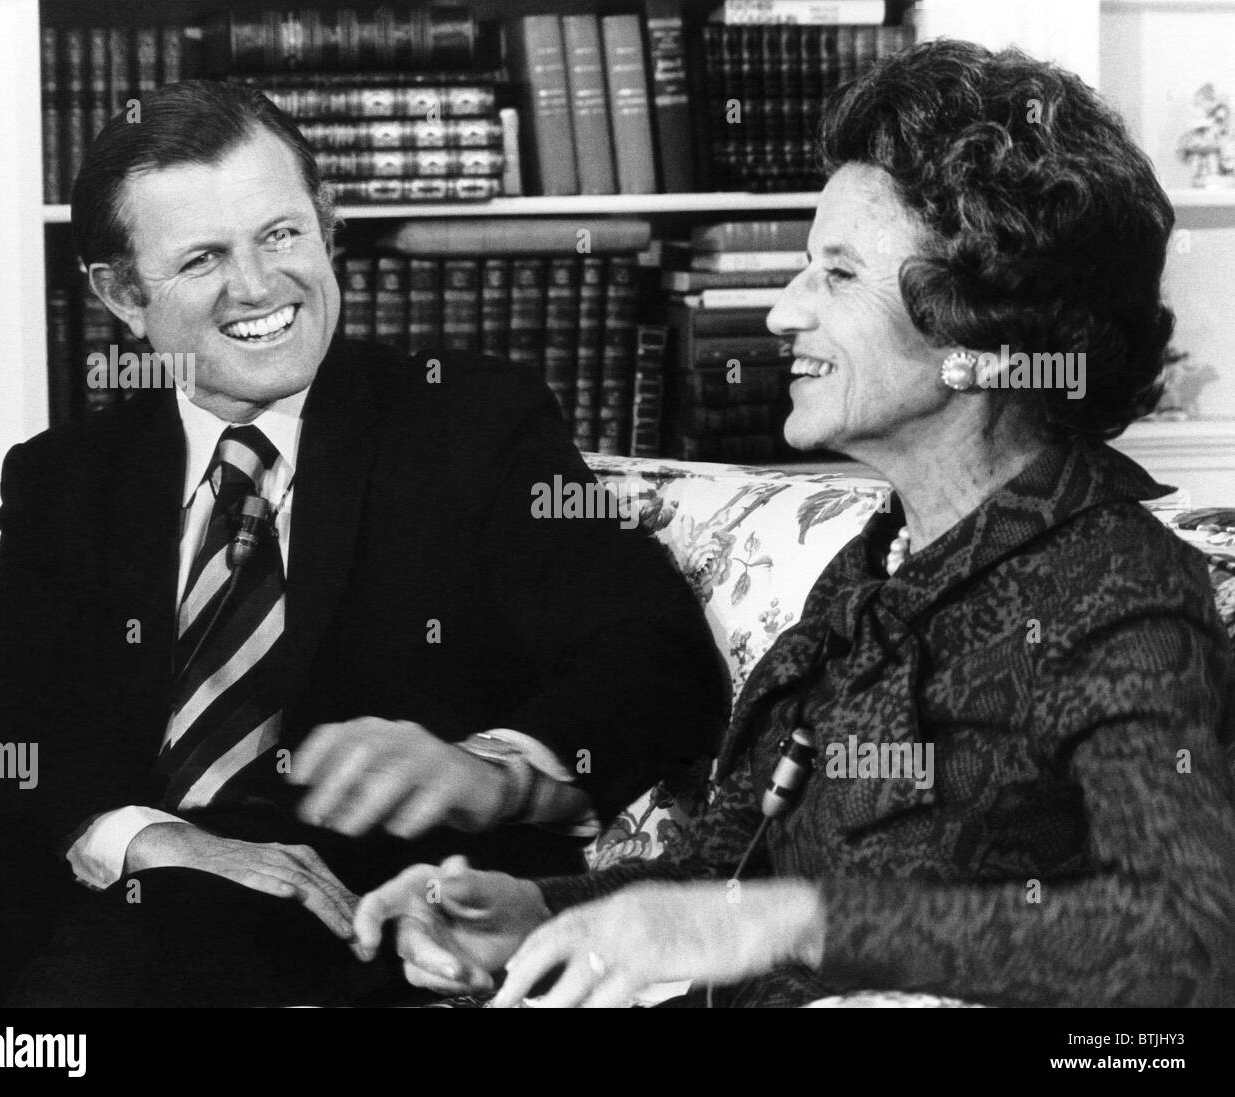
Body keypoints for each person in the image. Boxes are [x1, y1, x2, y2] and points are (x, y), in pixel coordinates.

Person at [354, 40, 1235, 1008]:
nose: (780, 312)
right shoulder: (878, 563)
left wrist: (788, 922)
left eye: (837, 273)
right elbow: (726, 879)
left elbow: (1183, 930)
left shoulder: (1113, 590)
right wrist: (537, 910)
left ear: (980, 331)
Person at [0, 80, 725, 1007]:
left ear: (326, 224)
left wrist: (490, 770)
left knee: (130, 954)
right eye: (202, 259)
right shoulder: (69, 476)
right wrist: (144, 838)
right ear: (120, 294)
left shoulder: (472, 424)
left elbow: (655, 657)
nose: (260, 287)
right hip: (116, 871)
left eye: (281, 234)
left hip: (337, 897)